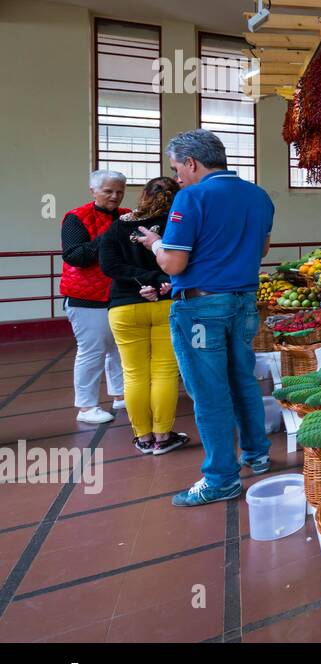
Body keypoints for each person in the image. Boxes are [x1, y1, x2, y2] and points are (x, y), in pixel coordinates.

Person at [134, 131, 275, 507]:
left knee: (209, 392)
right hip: (245, 302)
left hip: (201, 308)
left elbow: (174, 262)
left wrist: (156, 245)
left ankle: (221, 479)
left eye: (177, 168)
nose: (177, 176)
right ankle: (257, 454)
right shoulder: (259, 196)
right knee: (242, 379)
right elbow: (261, 248)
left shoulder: (192, 197)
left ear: (192, 163)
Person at [100, 176, 189, 455]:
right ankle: (163, 437)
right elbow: (190, 263)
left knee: (134, 374)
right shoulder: (178, 227)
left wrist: (143, 280)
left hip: (125, 307)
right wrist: (159, 279)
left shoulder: (118, 226)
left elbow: (109, 265)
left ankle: (144, 437)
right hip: (166, 304)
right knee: (164, 372)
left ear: (144, 196)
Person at [61, 170, 128, 425]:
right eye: (108, 191)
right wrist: (109, 237)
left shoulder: (125, 216)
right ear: (93, 191)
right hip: (85, 297)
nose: (115, 196)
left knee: (119, 350)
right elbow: (75, 256)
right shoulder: (76, 218)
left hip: (117, 294)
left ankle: (121, 395)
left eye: (119, 191)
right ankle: (87, 407)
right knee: (92, 352)